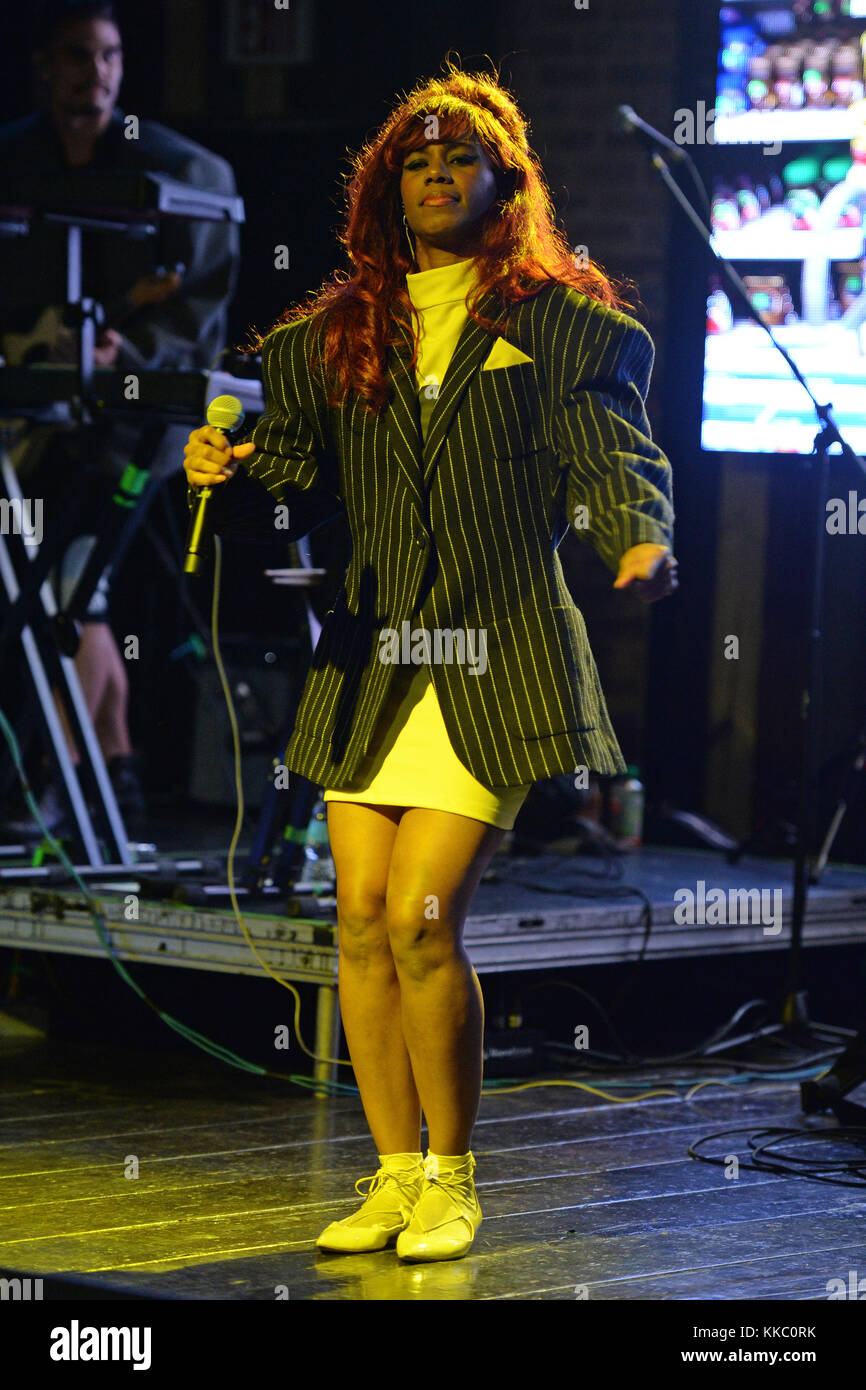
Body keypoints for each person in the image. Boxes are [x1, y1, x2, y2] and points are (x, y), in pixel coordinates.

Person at [183, 66, 677, 1263]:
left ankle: (455, 1178)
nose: (438, 173)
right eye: (416, 159)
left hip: (493, 647)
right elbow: (291, 478)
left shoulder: (562, 323)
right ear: (386, 187)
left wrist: (639, 537)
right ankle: (394, 1173)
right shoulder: (329, 342)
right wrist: (230, 468)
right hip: (373, 653)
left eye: (461, 157)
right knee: (354, 915)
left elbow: (612, 455)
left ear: (506, 179)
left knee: (418, 915)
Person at [0, 0, 239, 836]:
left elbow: (195, 314)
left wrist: (125, 355)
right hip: (33, 425)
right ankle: (118, 775)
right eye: (75, 55)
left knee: (71, 587)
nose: (93, 72)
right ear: (43, 65)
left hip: (131, 428)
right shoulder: (16, 158)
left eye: (108, 56)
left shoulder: (179, 171)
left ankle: (68, 781)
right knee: (74, 591)